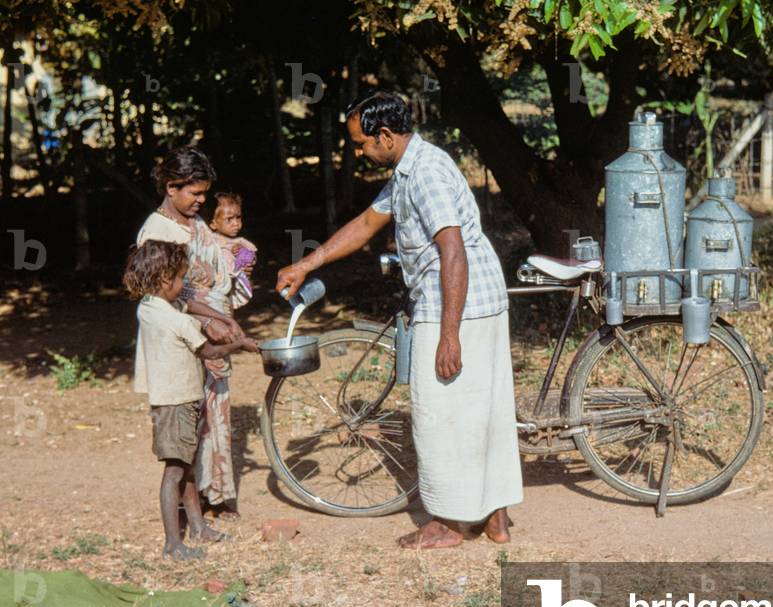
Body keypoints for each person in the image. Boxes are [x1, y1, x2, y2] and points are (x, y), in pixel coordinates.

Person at [276, 91, 523, 550]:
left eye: (362, 143)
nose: (360, 152)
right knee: (483, 411)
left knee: (437, 415)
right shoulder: (410, 168)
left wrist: (448, 334)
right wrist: (308, 264)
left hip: (457, 305)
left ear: (385, 136)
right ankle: (496, 518)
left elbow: (453, 250)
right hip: (478, 301)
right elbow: (368, 223)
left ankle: (448, 524)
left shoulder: (425, 173)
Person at [124, 240, 258, 560]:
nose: (184, 286)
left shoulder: (149, 308)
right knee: (174, 472)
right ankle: (173, 543)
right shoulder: (177, 321)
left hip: (171, 399)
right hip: (179, 402)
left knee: (186, 467)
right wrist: (239, 345)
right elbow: (209, 352)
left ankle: (197, 526)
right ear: (164, 280)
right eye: (181, 278)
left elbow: (183, 306)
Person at [136, 147, 249, 519]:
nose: (202, 200)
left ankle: (216, 493)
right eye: (194, 193)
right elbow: (172, 290)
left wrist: (224, 313)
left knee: (215, 412)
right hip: (182, 336)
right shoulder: (157, 232)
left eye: (204, 193)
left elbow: (213, 272)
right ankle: (190, 503)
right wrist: (211, 317)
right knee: (188, 420)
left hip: (210, 323)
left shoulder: (196, 222)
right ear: (171, 187)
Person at [209, 192, 258, 311]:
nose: (236, 223)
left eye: (238, 217)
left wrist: (243, 254)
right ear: (213, 223)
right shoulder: (207, 241)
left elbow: (252, 256)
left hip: (227, 296)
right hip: (209, 294)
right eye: (229, 219)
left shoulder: (239, 242)